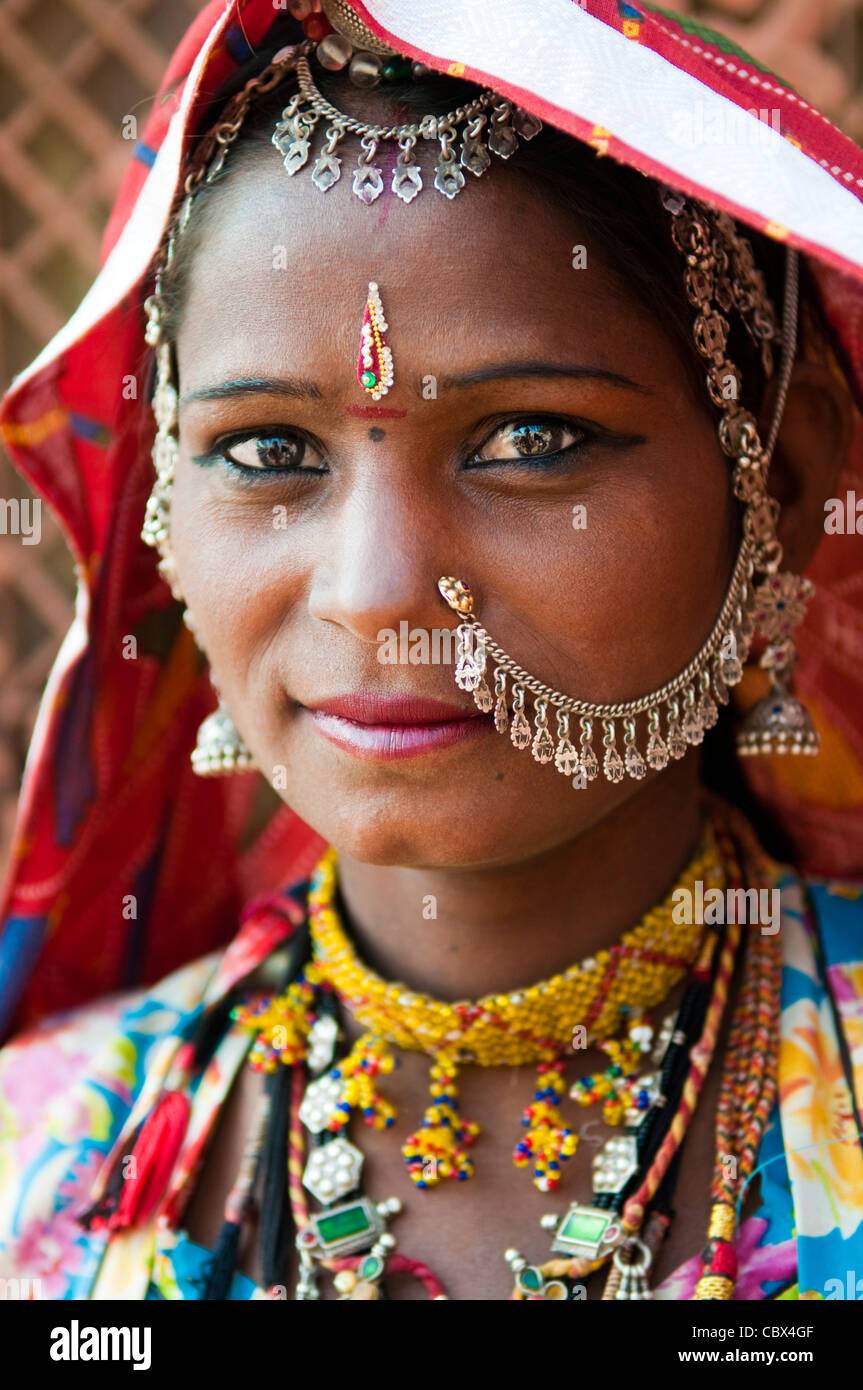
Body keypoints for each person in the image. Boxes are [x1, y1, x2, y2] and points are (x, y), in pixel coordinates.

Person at [1, 0, 862, 1302]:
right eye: (268, 452)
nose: (373, 591)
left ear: (781, 480)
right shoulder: (34, 1154)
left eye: (527, 440)